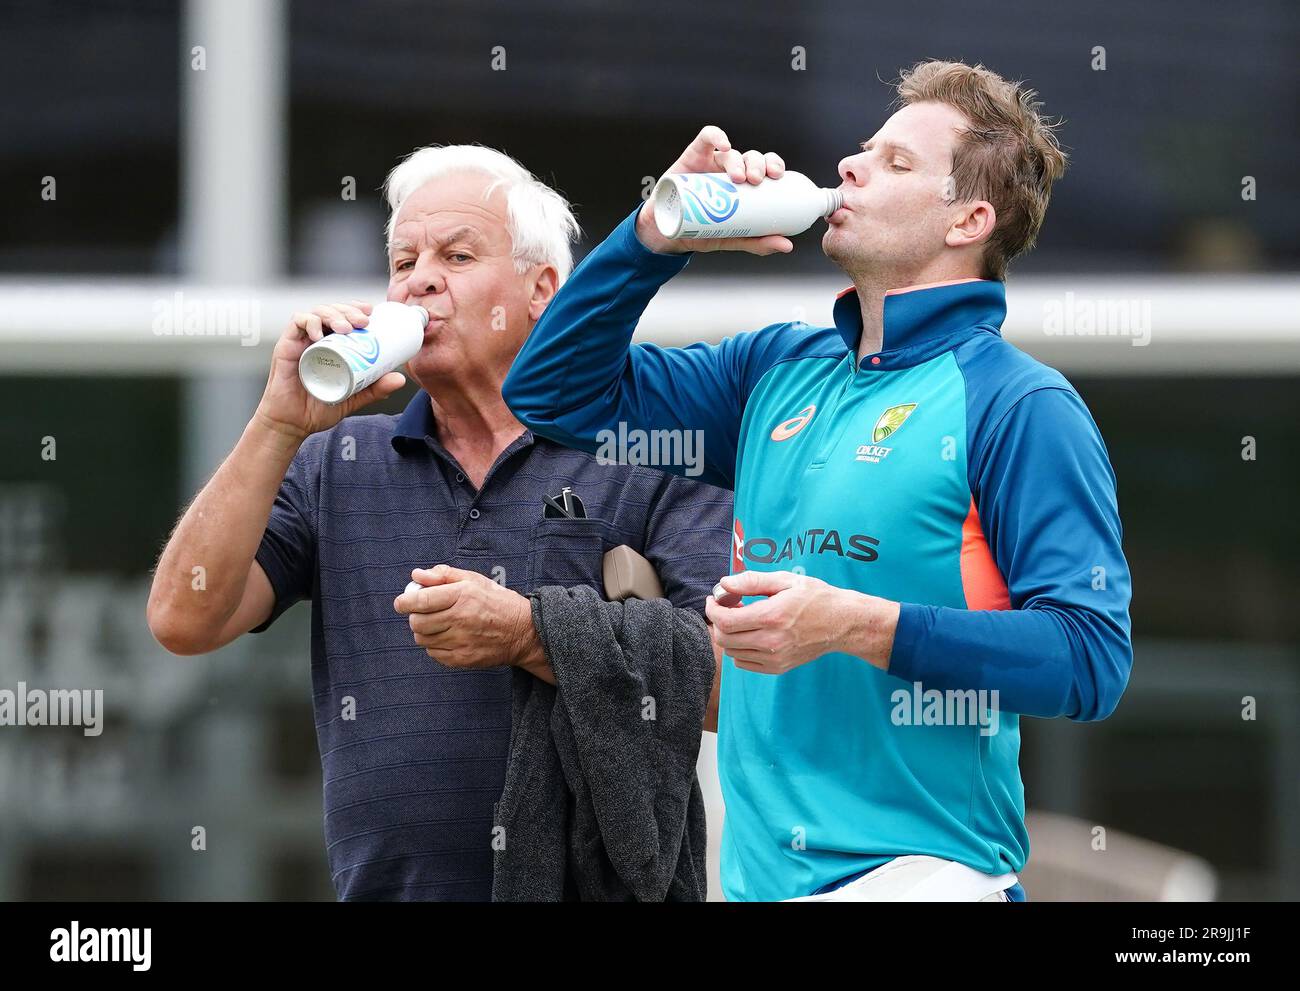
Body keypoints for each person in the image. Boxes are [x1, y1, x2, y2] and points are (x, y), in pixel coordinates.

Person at [502, 60, 1133, 901]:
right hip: (757, 885)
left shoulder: (1021, 403)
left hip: (929, 880)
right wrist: (658, 236)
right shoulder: (776, 369)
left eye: (897, 162)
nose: (851, 165)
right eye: (864, 148)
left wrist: (858, 626)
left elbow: (1090, 659)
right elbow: (551, 395)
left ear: (969, 219)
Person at [147, 144, 731, 901]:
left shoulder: (650, 446)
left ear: (541, 291)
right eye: (403, 260)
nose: (420, 279)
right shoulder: (338, 460)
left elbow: (729, 686)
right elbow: (183, 617)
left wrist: (529, 632)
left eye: (456, 255)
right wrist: (276, 424)